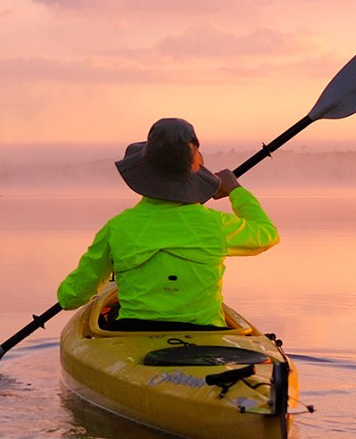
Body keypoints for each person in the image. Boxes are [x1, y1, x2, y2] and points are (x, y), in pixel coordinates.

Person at [56, 118, 279, 329]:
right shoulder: (216, 225)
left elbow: (71, 298)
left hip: (133, 332)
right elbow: (267, 234)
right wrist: (235, 191)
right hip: (207, 334)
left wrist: (66, 293)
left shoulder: (118, 227)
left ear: (143, 171)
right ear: (193, 174)